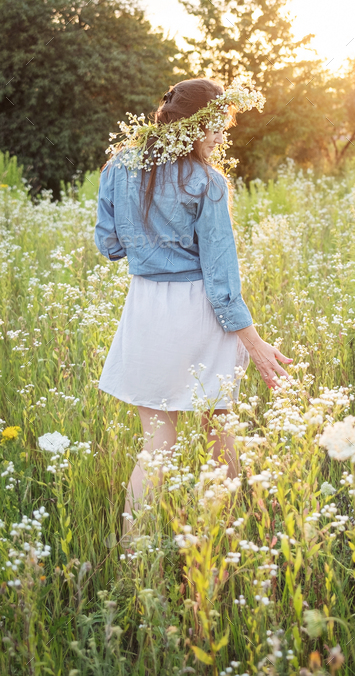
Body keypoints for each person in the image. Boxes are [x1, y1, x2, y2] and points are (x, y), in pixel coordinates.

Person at [94, 77, 291, 539]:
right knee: (221, 434)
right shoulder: (207, 182)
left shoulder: (119, 167)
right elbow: (221, 282)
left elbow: (109, 245)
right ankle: (232, 546)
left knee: (156, 447)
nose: (222, 139)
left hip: (146, 309)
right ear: (194, 125)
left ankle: (132, 565)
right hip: (199, 311)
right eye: (217, 129)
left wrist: (150, 248)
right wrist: (256, 344)